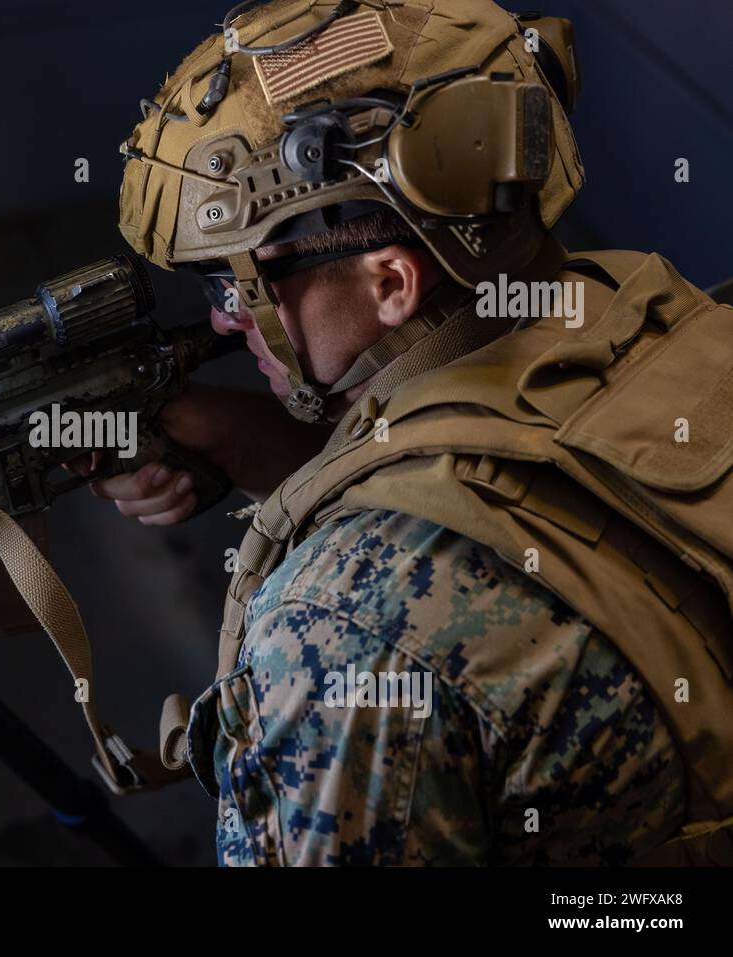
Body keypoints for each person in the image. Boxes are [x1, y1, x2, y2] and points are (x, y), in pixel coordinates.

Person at [76, 0, 733, 865]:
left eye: (234, 284)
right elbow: (563, 499)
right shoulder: (656, 317)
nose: (230, 324)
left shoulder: (339, 638)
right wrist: (295, 459)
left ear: (391, 283)